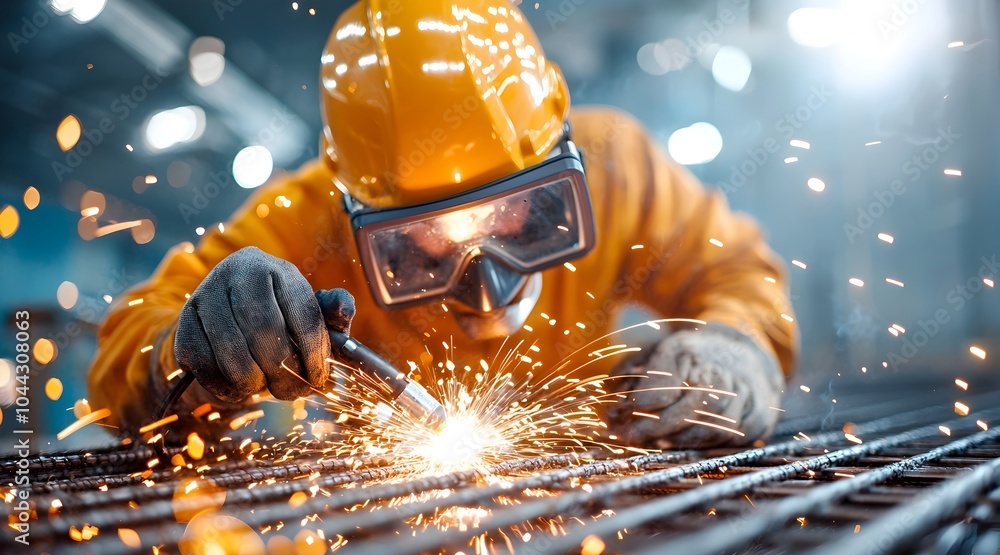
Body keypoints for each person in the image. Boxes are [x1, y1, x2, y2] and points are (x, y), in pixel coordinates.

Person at [88, 0, 798, 449]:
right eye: (424, 244)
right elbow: (129, 345)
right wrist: (185, 350)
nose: (483, 282)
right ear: (356, 210)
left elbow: (736, 270)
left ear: (561, 158)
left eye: (519, 215)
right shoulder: (307, 221)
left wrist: (740, 347)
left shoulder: (618, 165)